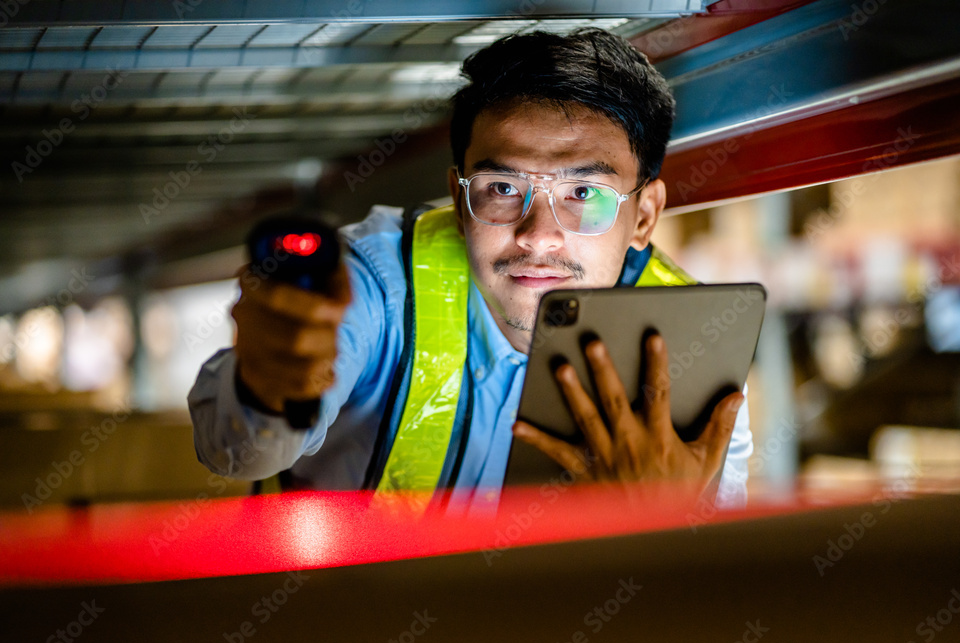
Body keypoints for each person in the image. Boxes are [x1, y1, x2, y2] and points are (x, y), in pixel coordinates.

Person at [188, 28, 753, 513]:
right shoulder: (372, 287)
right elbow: (240, 453)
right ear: (459, 203)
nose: (538, 235)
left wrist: (670, 528)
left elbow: (711, 600)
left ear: (644, 217)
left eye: (585, 192)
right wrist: (268, 388)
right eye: (503, 188)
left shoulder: (696, 356)